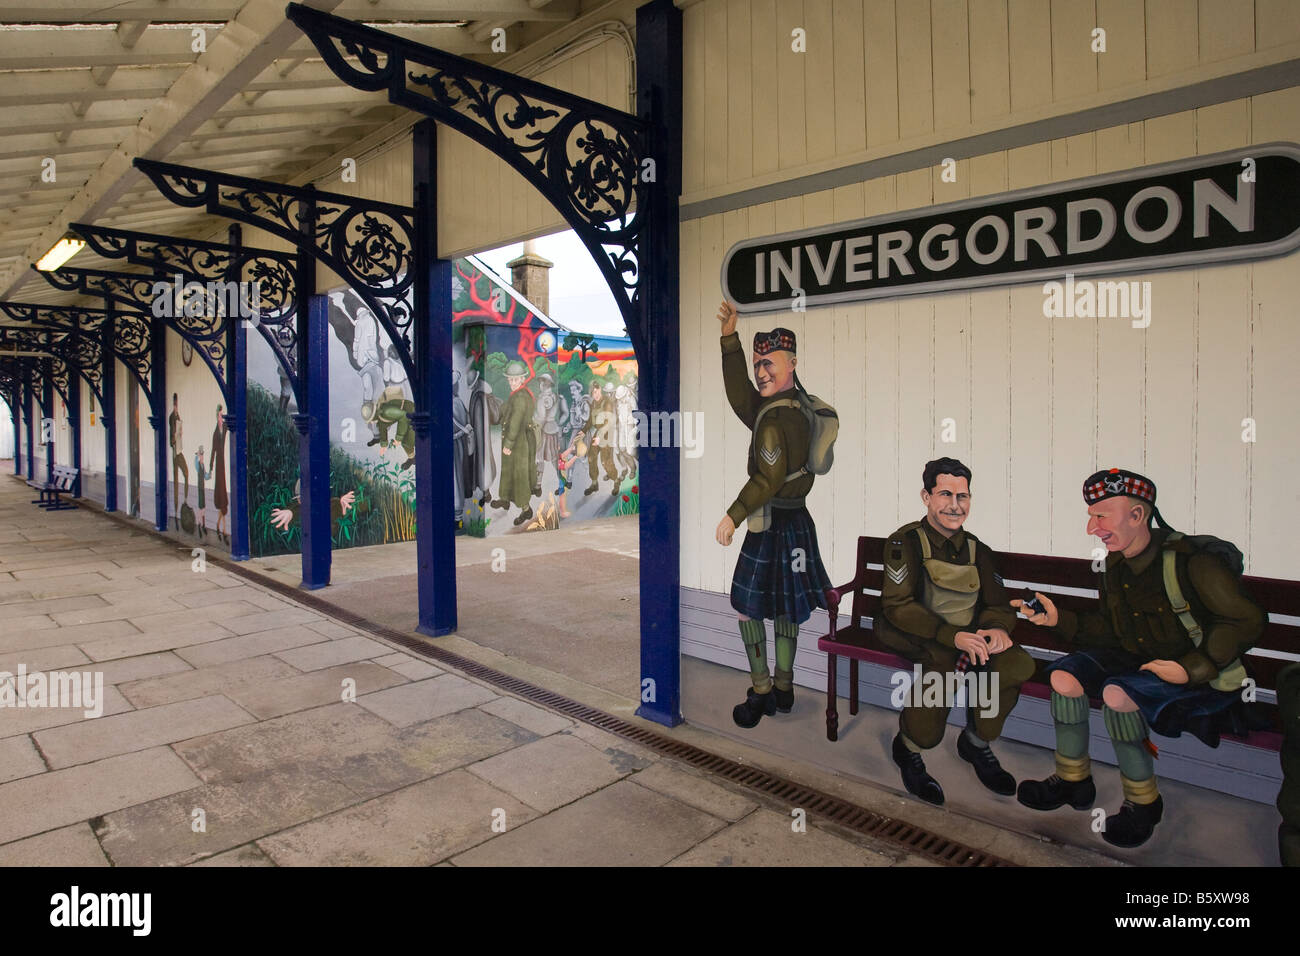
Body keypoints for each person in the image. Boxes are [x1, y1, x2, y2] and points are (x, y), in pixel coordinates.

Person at [1014, 468, 1266, 848]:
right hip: (1140, 663)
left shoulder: (1191, 561)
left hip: (1202, 674)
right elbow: (1111, 631)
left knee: (1117, 693)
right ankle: (1073, 781)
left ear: (1137, 515)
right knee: (1062, 677)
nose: (1092, 528)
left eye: (1101, 516)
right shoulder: (1116, 564)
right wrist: (1058, 620)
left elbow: (1246, 619)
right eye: (1090, 516)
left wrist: (1190, 667)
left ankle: (1143, 803)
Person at [876, 458, 1035, 806]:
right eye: (945, 494)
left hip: (965, 633)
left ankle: (976, 742)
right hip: (912, 629)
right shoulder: (905, 543)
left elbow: (997, 603)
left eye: (962, 496)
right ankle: (911, 747)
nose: (954, 505)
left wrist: (996, 629)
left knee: (1013, 664)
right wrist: (953, 636)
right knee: (945, 662)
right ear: (926, 496)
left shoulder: (979, 550)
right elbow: (899, 606)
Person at [714, 299, 832, 728]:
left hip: (770, 525)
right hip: (798, 522)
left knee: (748, 607)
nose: (761, 371)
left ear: (792, 363)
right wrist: (731, 342)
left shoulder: (771, 422)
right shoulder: (795, 407)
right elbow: (741, 396)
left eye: (769, 363)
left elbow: (765, 479)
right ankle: (784, 688)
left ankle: (761, 691)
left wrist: (733, 515)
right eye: (758, 362)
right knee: (786, 608)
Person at [493, 360, 537, 526]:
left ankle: (526, 510)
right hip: (515, 440)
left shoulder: (520, 397)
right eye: (510, 379)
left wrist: (509, 444)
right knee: (508, 472)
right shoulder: (517, 395)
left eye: (515, 379)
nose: (512, 382)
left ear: (522, 379)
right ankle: (505, 499)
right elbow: (507, 412)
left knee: (519, 476)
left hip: (519, 442)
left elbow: (516, 421)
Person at [584, 381, 619, 498]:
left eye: (597, 391)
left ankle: (616, 481)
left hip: (607, 433)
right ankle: (594, 483)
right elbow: (590, 421)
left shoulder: (607, 402)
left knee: (605, 461)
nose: (596, 394)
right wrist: (582, 431)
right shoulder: (593, 403)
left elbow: (608, 422)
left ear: (600, 389)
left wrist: (599, 437)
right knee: (591, 456)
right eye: (593, 393)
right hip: (599, 433)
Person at [168, 392, 188, 530]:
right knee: (175, 481)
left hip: (179, 451)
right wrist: (175, 438)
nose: (176, 406)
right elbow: (171, 438)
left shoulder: (177, 416)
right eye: (175, 403)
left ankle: (185, 501)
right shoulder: (171, 417)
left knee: (186, 474)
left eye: (177, 403)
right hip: (175, 453)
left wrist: (180, 434)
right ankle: (175, 510)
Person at [211, 406, 228, 544]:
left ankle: (220, 526)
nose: (221, 419)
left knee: (223, 498)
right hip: (219, 466)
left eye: (223, 416)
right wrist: (210, 467)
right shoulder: (216, 433)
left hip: (223, 464)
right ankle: (223, 528)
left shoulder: (226, 428)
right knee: (221, 495)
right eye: (219, 416)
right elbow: (213, 451)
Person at [193, 445, 213, 539]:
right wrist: (197, 454)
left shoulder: (203, 465)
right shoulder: (198, 465)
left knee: (203, 507)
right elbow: (195, 462)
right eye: (201, 456)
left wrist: (210, 473)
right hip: (200, 487)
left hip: (202, 487)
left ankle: (202, 524)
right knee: (201, 507)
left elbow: (206, 476)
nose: (202, 457)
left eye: (202, 455)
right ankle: (200, 524)